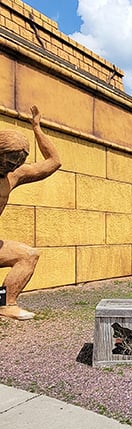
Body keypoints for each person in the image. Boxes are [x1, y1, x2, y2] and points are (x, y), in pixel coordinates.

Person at [0, 105, 61, 320]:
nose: (12, 166)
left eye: (17, 162)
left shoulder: (13, 176)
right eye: (9, 160)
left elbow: (54, 162)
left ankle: (6, 305)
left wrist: (37, 128)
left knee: (28, 255)